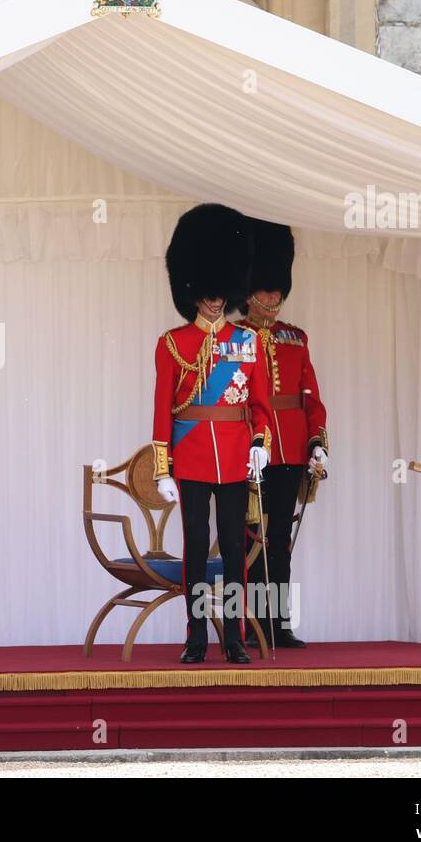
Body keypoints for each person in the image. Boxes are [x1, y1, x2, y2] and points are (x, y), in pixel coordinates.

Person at [153, 204, 274, 665]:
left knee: (236, 549)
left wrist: (260, 446)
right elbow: (163, 409)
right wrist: (164, 467)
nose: (214, 300)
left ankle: (236, 636)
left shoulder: (248, 342)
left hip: (235, 456)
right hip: (192, 458)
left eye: (220, 292)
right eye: (206, 293)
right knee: (197, 551)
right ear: (192, 291)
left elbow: (259, 406)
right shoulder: (172, 344)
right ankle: (196, 635)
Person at [242, 219, 328, 649]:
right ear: (249, 292)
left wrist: (317, 442)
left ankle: (279, 623)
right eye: (265, 289)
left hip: (290, 452)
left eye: (278, 290)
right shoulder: (232, 339)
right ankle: (254, 626)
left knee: (280, 542)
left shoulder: (296, 339)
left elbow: (311, 398)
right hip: (249, 454)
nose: (273, 297)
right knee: (250, 541)